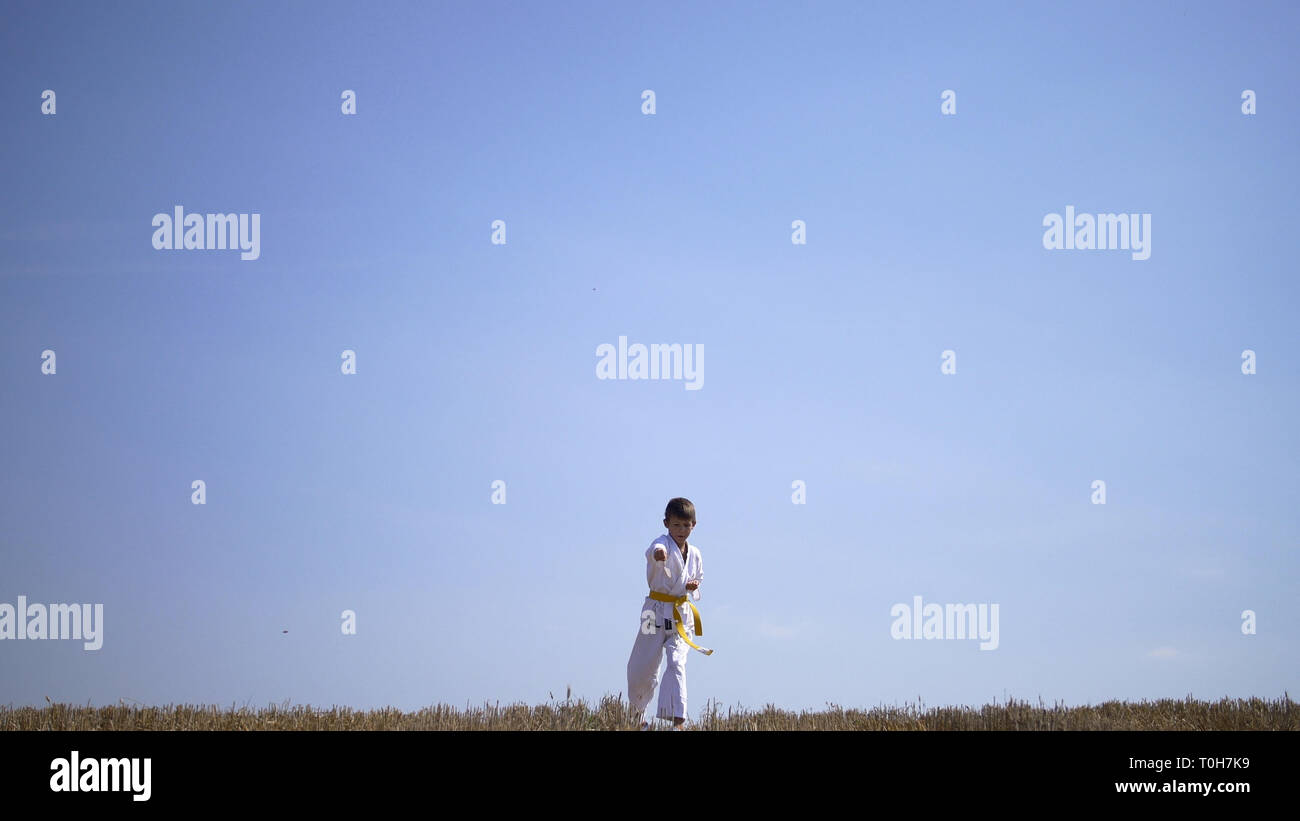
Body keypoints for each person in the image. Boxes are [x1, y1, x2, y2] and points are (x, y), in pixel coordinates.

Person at [626, 497, 713, 731]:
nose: (681, 530)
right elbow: (655, 549)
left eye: (686, 525)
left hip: (681, 614)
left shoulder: (695, 553)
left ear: (694, 525)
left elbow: (698, 577)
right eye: (676, 525)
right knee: (643, 665)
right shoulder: (661, 543)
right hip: (653, 613)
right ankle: (638, 716)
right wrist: (659, 555)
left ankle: (678, 720)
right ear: (666, 523)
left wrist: (693, 586)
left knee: (677, 662)